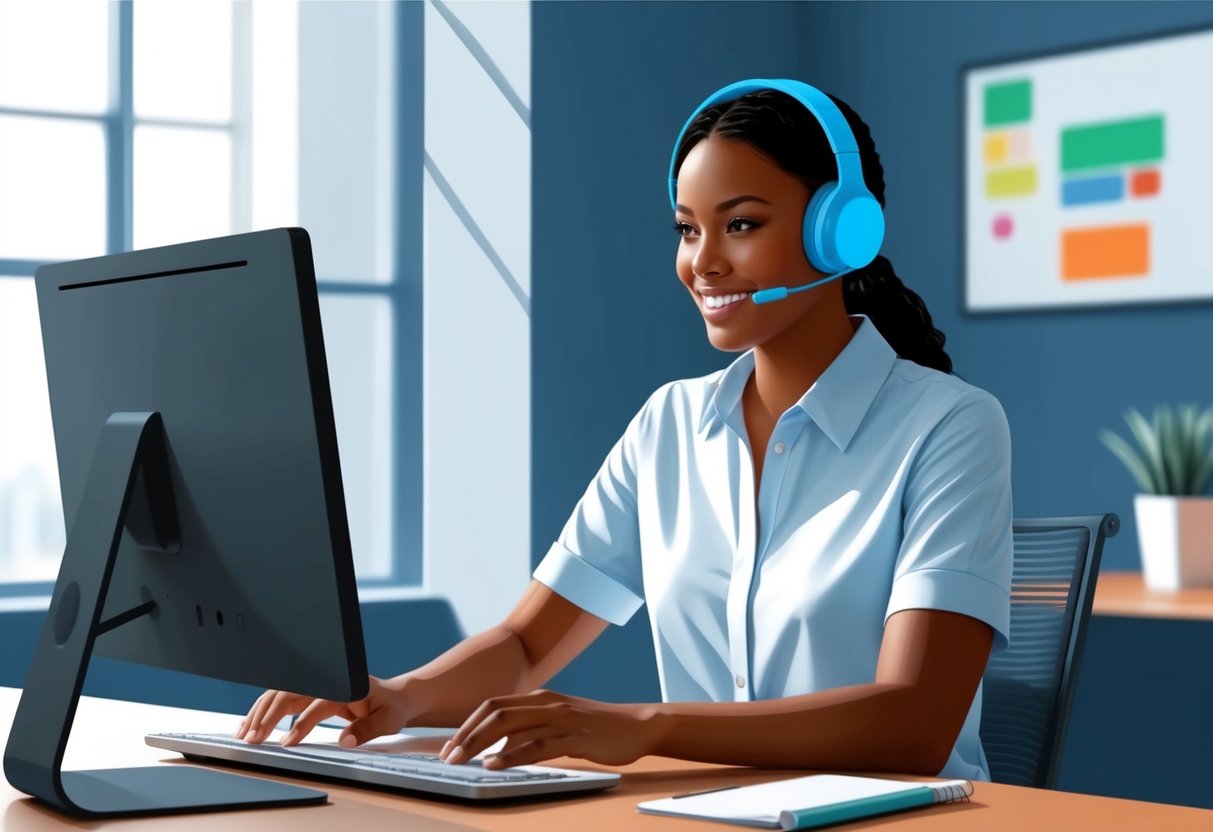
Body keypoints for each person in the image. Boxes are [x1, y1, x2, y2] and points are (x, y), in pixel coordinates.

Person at [236, 79, 1012, 782]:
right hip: (708, 813)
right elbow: (527, 646)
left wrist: (646, 727)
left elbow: (914, 723)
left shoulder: (948, 425)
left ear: (841, 232)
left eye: (739, 224)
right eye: (685, 229)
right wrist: (395, 700)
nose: (702, 262)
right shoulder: (669, 426)